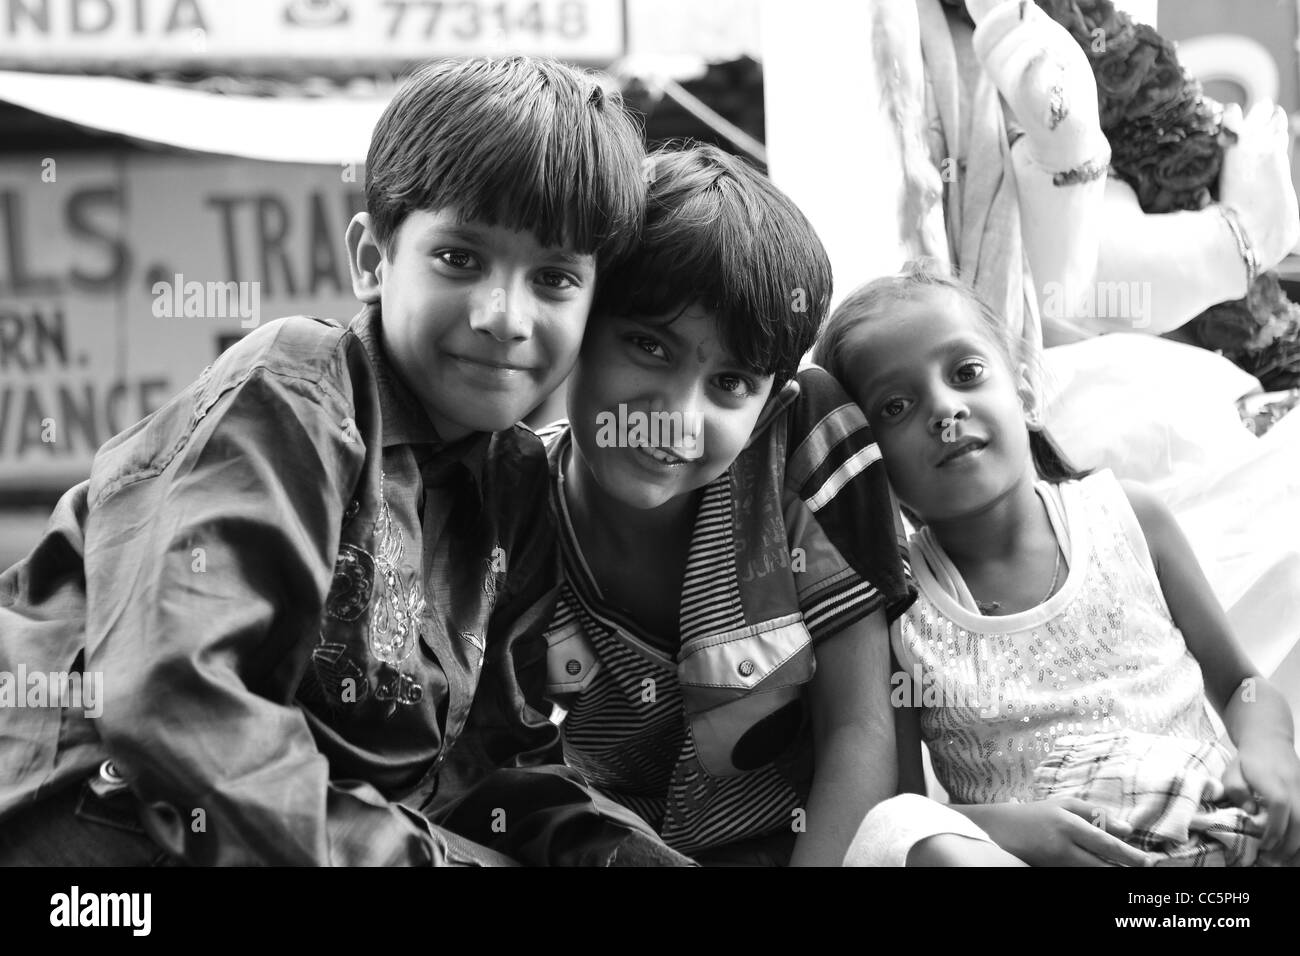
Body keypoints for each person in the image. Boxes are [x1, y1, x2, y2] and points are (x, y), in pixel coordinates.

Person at [0, 55, 672, 866]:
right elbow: (177, 704)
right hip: (88, 816)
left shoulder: (518, 485)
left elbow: (487, 775)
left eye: (556, 278)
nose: (505, 316)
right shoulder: (296, 390)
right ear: (372, 260)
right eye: (460, 258)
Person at [814, 262, 1300, 866]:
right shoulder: (901, 606)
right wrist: (1016, 831)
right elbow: (910, 809)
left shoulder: (1127, 518)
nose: (944, 410)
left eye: (966, 373)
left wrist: (1272, 754)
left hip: (1214, 845)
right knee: (911, 836)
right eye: (895, 407)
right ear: (872, 458)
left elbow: (1244, 686)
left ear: (1021, 388)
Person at [536, 144, 917, 867]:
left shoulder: (805, 447)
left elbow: (859, 731)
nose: (677, 414)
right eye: (649, 345)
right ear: (577, 320)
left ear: (773, 401)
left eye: (731, 383)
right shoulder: (503, 501)